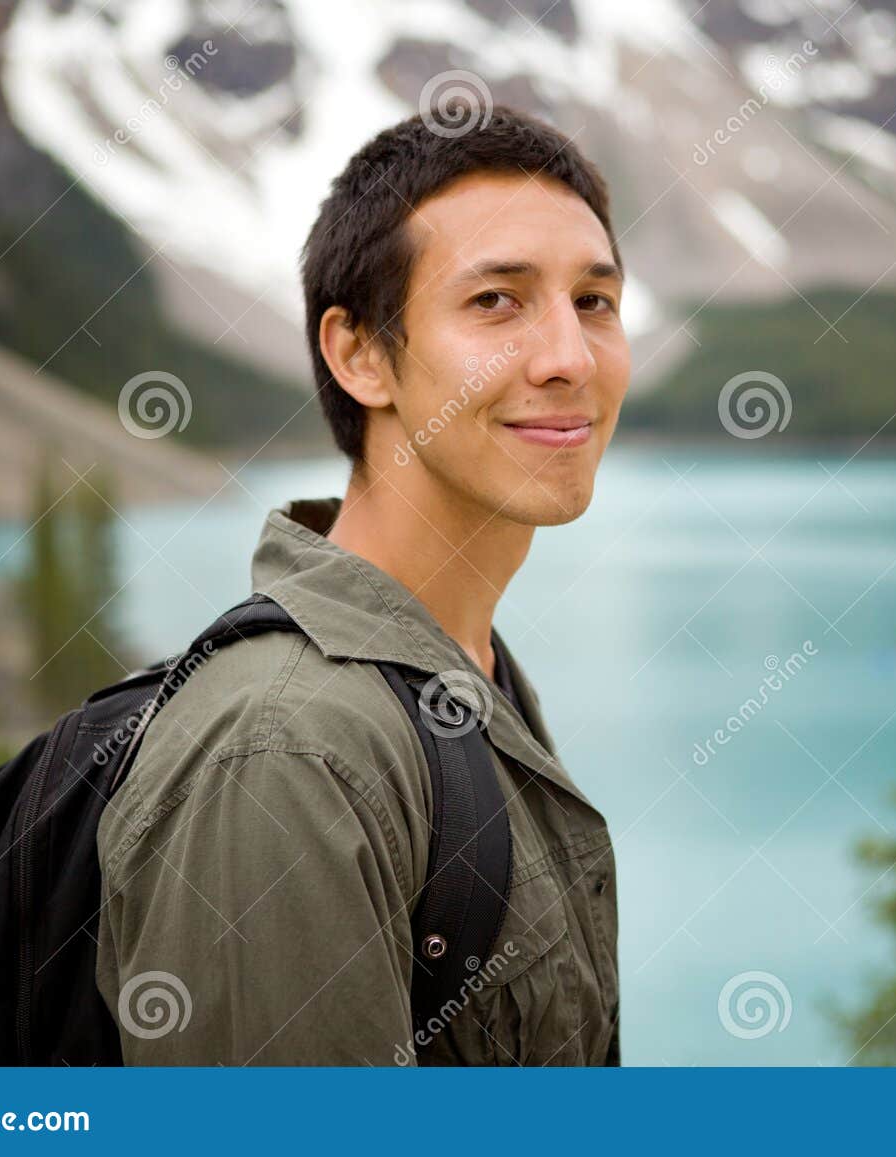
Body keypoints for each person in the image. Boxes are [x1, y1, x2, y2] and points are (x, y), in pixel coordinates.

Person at [94, 105, 628, 1065]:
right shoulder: (287, 752)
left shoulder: (468, 672)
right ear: (361, 355)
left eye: (594, 301)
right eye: (496, 301)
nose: (570, 358)